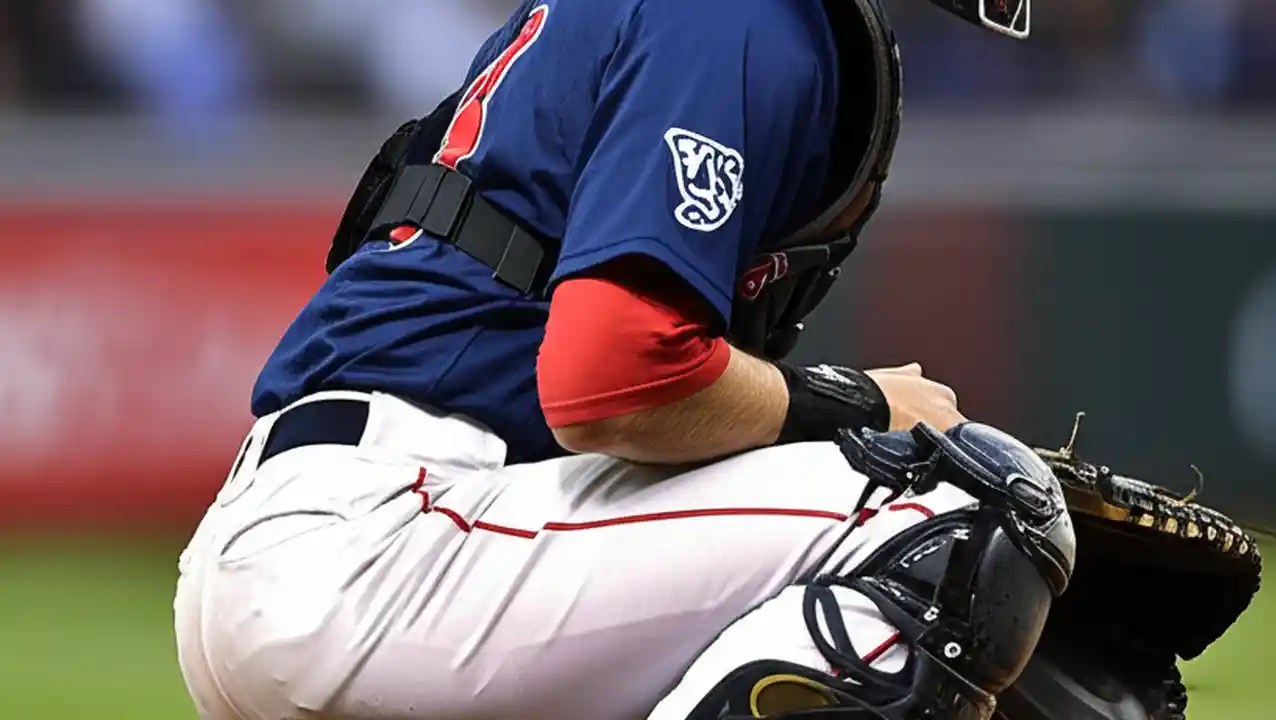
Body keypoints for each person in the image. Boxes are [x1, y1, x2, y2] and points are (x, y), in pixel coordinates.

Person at [173, 0, 1070, 718]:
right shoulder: (734, 16)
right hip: (397, 543)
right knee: (966, 524)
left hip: (365, 530)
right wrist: (865, 409)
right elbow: (612, 379)